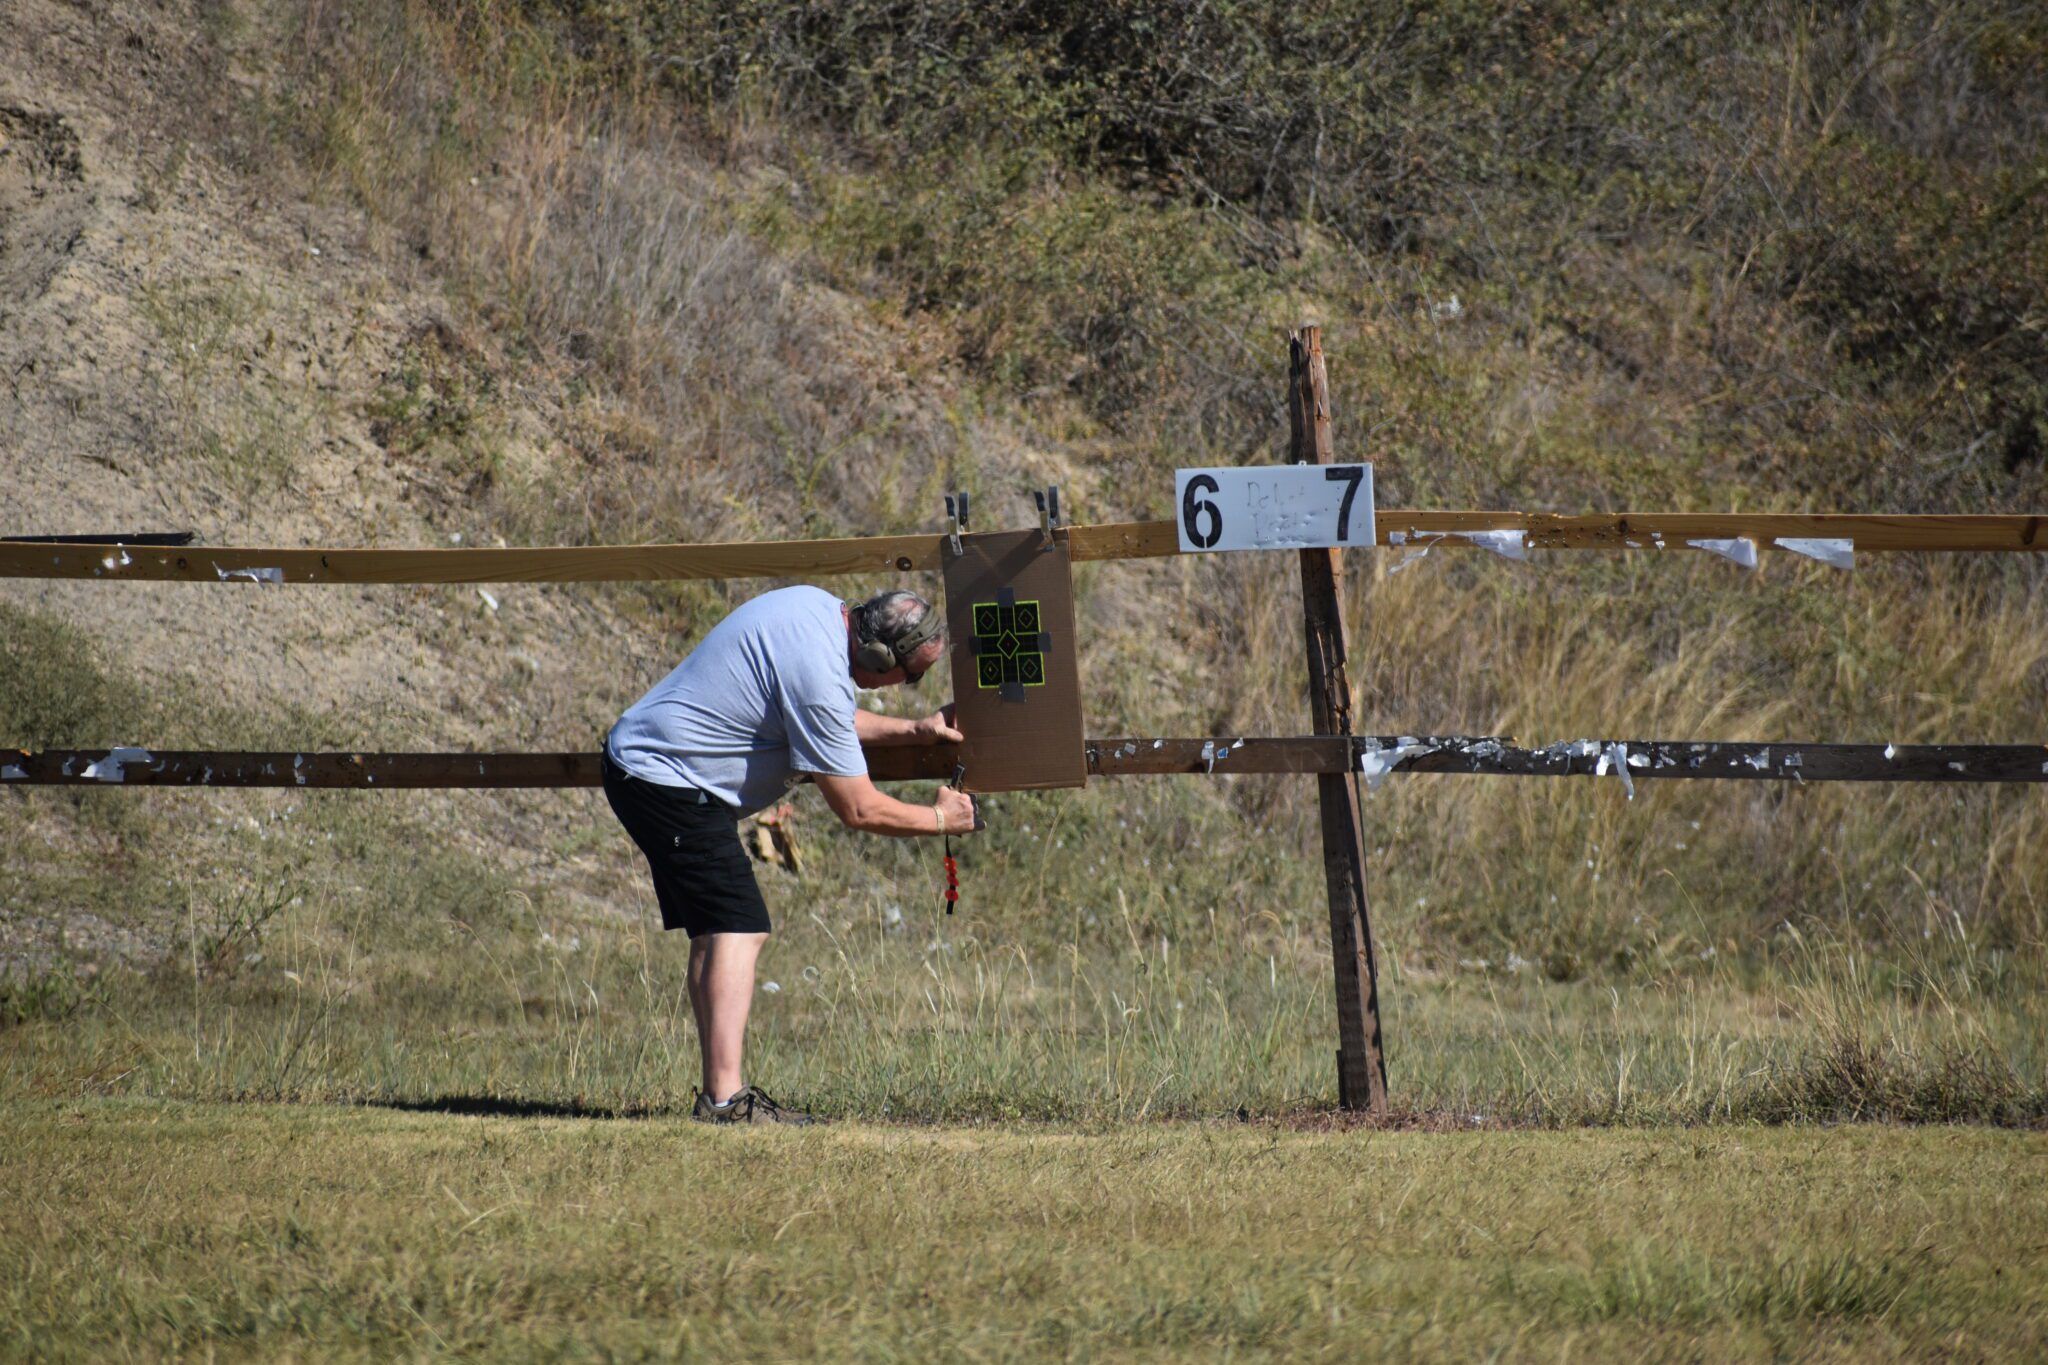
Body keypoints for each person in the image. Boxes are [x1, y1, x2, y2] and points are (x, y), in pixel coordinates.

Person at [603, 586, 979, 1125]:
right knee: (738, 926)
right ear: (878, 658)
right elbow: (860, 808)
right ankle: (727, 1102)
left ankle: (719, 1096)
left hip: (650, 768)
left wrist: (913, 729)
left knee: (716, 931)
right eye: (912, 674)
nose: (910, 686)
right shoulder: (820, 674)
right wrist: (943, 819)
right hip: (668, 779)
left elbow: (823, 716)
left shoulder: (814, 612)